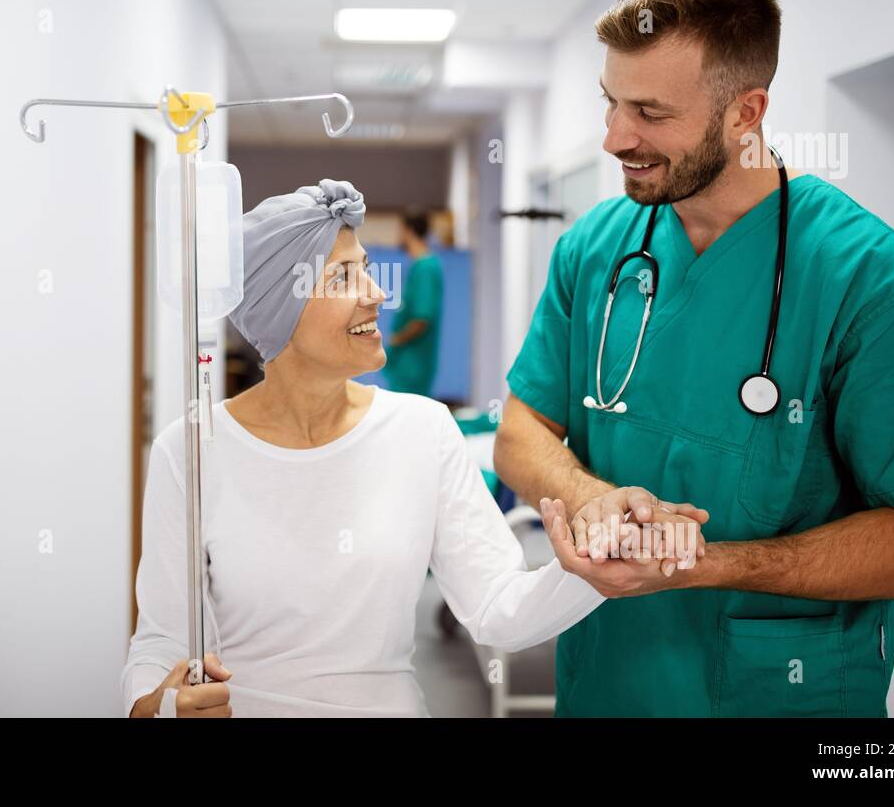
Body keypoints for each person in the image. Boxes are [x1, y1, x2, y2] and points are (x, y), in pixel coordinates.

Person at [494, 0, 894, 717]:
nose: (615, 138)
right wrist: (588, 498)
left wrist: (703, 562)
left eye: (651, 114)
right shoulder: (596, 248)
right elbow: (520, 430)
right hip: (607, 684)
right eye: (610, 103)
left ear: (747, 113)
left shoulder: (872, 278)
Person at [122, 180, 705, 717]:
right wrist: (160, 705)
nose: (378, 293)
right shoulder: (192, 451)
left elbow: (496, 607)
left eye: (368, 269)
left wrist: (599, 564)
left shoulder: (423, 430)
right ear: (282, 309)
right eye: (345, 277)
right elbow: (160, 641)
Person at [382, 210, 444, 396]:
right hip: (407, 363)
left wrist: (396, 339)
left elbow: (421, 318)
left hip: (412, 364)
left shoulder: (426, 268)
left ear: (408, 231)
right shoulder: (419, 266)